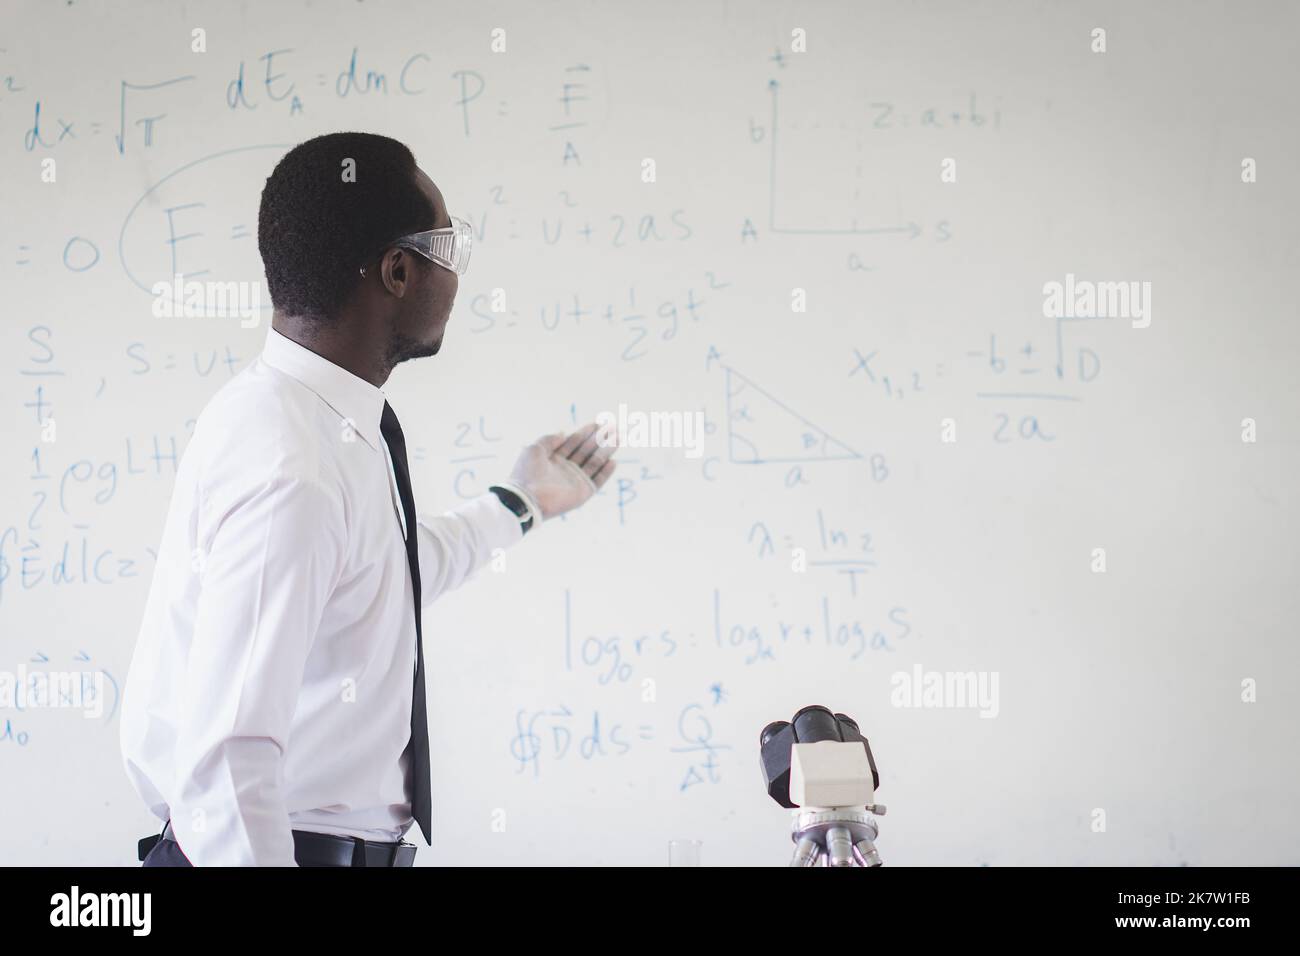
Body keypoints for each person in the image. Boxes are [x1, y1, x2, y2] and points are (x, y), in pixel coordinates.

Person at [120, 132, 616, 866]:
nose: (457, 274)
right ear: (397, 270)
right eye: (450, 247)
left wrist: (520, 502)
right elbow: (225, 755)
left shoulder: (324, 424)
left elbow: (381, 577)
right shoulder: (292, 463)